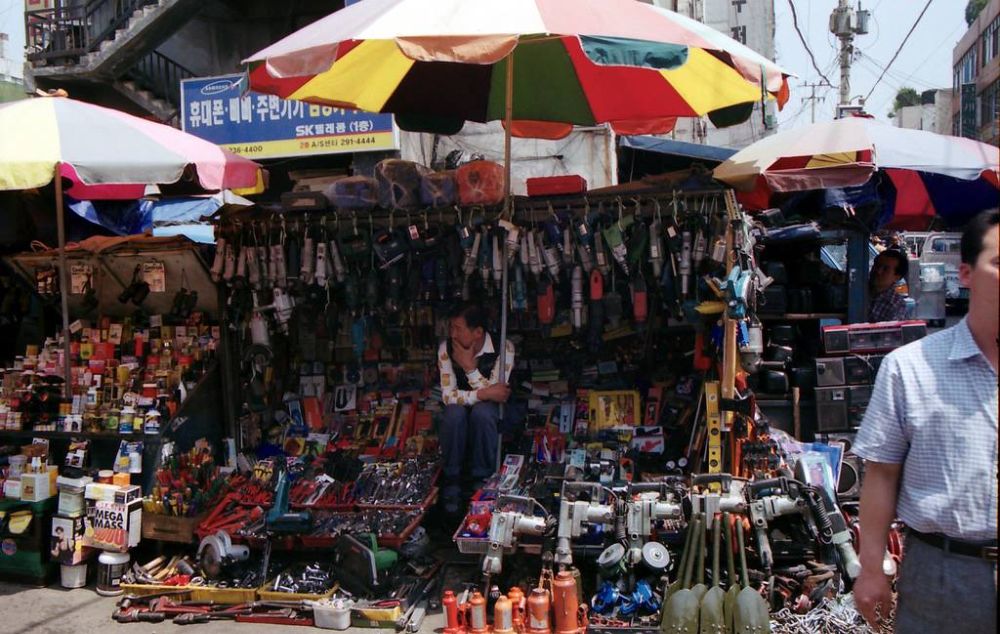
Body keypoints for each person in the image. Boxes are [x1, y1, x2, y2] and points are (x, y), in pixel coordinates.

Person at [852, 210, 998, 633]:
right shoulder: (911, 368)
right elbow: (880, 474)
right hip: (945, 575)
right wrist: (872, 568)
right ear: (967, 274)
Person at [438, 303, 515, 514]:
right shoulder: (446, 348)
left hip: (489, 414)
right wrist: (482, 394)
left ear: (478, 332)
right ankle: (452, 481)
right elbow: (448, 396)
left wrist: (469, 368)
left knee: (483, 412)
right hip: (462, 410)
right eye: (451, 328)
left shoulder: (503, 348)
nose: (452, 334)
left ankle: (482, 480)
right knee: (453, 413)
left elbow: (499, 395)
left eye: (458, 328)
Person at [868, 248, 908, 322]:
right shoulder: (858, 290)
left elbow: (890, 332)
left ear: (897, 277)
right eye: (877, 266)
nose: (878, 271)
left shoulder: (896, 305)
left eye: (885, 269)